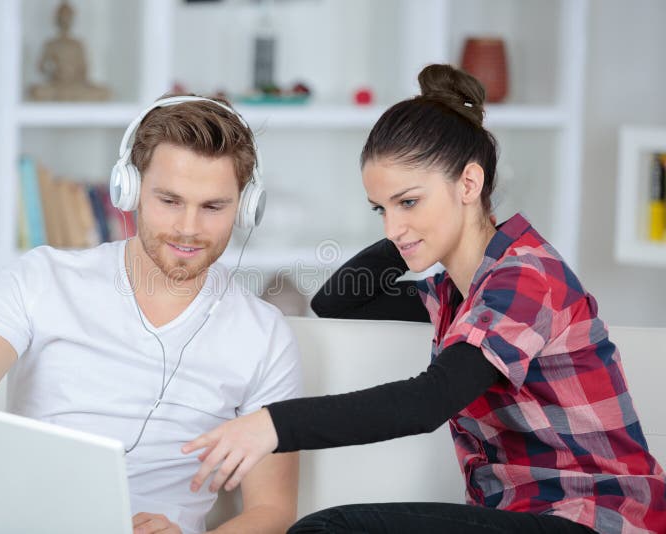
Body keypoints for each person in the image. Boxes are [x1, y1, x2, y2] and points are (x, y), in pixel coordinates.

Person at [182, 65, 666, 533]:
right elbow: (336, 301)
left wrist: (271, 424)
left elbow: (428, 401)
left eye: (409, 201)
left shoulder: (526, 278)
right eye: (381, 209)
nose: (392, 227)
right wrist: (412, 231)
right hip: (522, 516)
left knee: (332, 528)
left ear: (468, 184)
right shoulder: (454, 295)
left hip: (595, 518)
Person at [0, 95, 302, 534]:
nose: (189, 227)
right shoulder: (41, 279)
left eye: (212, 207)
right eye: (169, 200)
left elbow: (273, 509)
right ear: (127, 191)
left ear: (246, 207)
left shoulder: (264, 334)